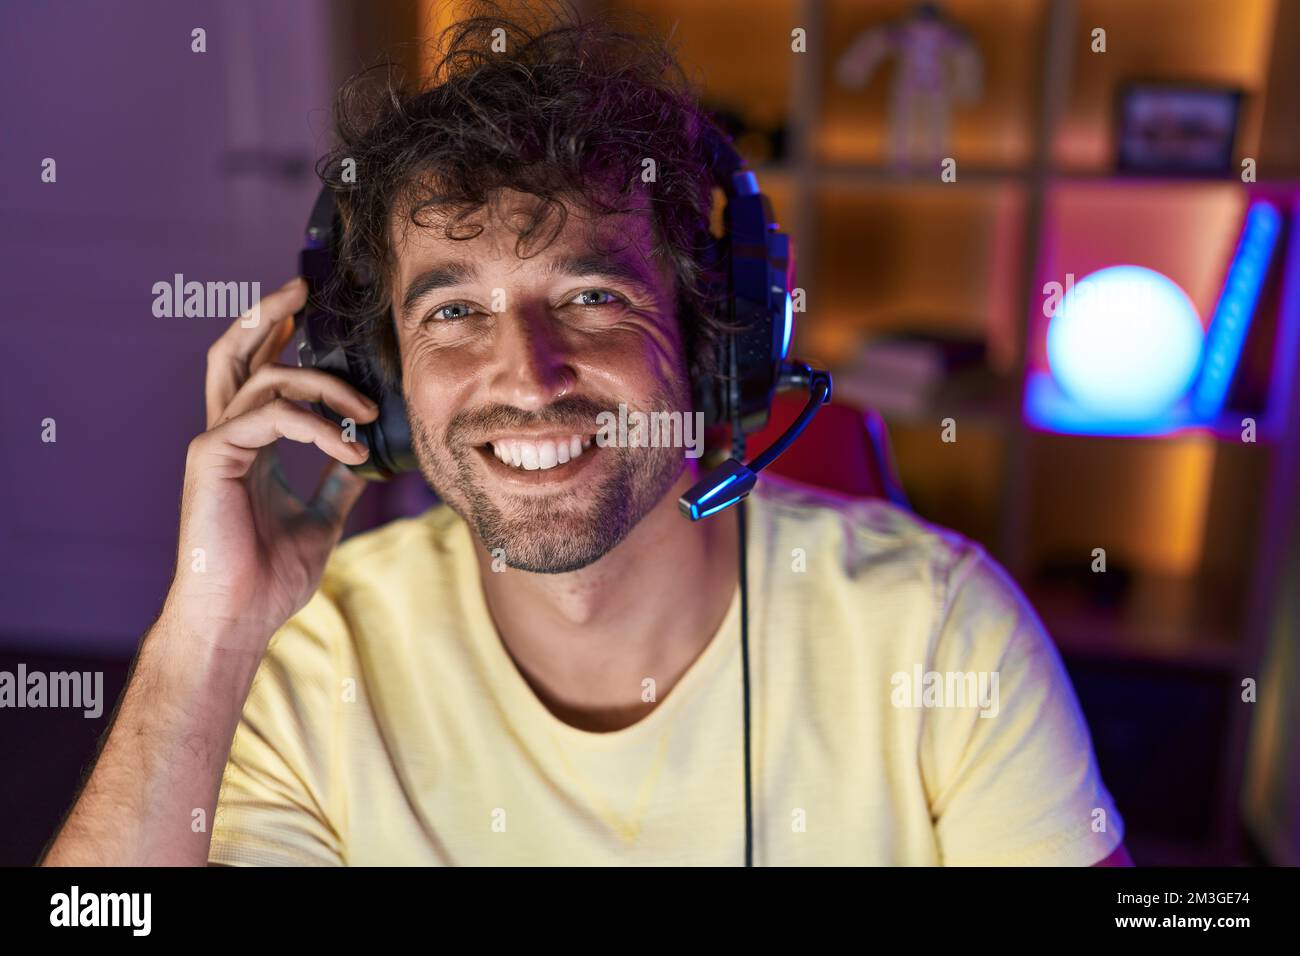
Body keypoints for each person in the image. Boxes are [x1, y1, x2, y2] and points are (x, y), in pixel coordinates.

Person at [41, 5, 1130, 867]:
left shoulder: (938, 635)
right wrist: (208, 633)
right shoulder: (304, 663)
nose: (527, 371)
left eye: (593, 297)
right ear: (376, 375)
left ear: (714, 348)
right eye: (452, 311)